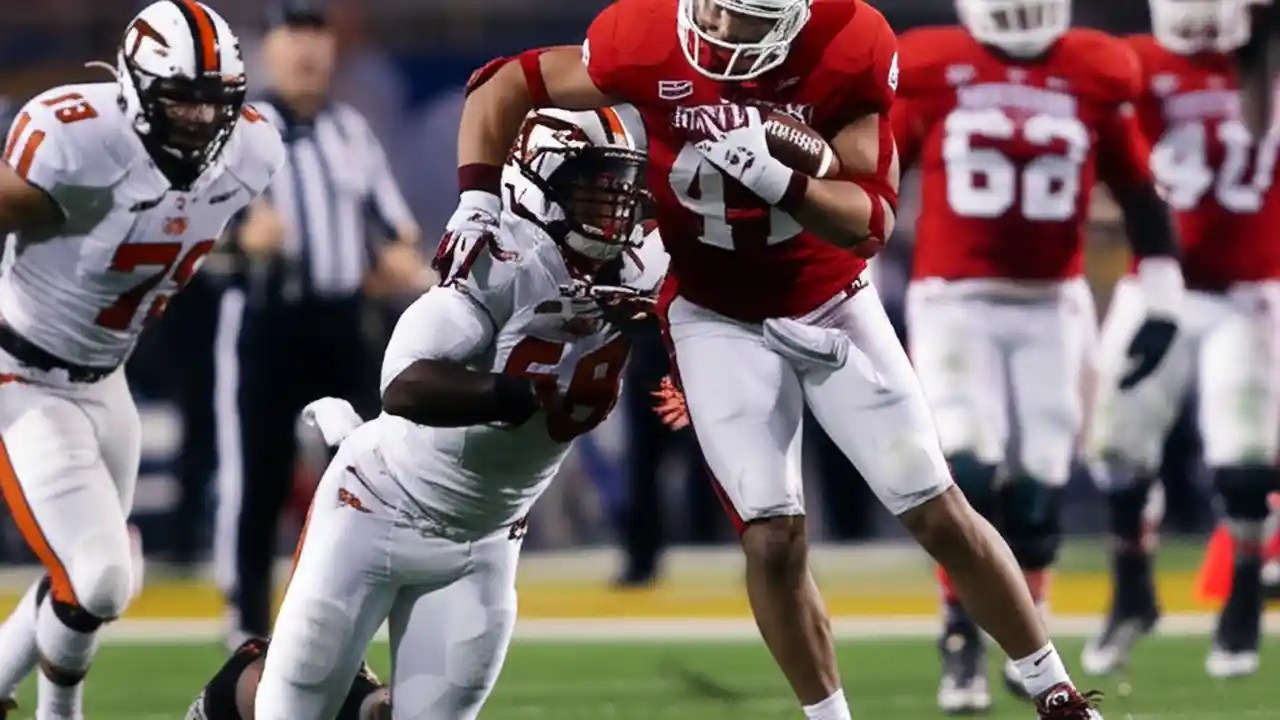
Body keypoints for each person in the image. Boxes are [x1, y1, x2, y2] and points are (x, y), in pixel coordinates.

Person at [455, 0, 1103, 718]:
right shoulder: (641, 34)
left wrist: (785, 182)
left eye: (750, 20)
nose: (725, 33)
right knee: (770, 537)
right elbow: (503, 82)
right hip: (712, 313)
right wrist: (475, 202)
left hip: (831, 301)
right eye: (718, 11)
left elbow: (872, 220)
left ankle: (1055, 691)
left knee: (935, 508)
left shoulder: (848, 41)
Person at [250, 104, 665, 719]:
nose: (614, 205)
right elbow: (406, 386)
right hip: (378, 505)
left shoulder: (644, 266)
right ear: (539, 185)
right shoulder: (503, 262)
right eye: (593, 187)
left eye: (620, 186)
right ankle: (230, 695)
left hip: (485, 538)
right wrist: (525, 394)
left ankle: (366, 709)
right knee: (292, 708)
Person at [890, 0, 1183, 710]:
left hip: (1054, 302)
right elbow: (878, 170)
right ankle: (958, 634)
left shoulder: (1094, 66)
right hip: (955, 298)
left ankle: (1030, 640)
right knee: (965, 461)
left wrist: (1165, 294)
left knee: (1038, 485)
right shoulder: (930, 63)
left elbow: (1138, 188)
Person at [0, 1, 283, 716]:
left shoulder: (253, 150)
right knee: (97, 580)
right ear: (132, 87)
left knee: (85, 578)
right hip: (21, 373)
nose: (195, 117)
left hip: (107, 379)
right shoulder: (71, 140)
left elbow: (182, 226)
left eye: (211, 101)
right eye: (179, 98)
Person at [212, 0, 427, 649]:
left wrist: (405, 262)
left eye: (315, 35)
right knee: (258, 474)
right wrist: (241, 237)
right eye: (291, 35)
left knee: (362, 474)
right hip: (266, 320)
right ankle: (247, 623)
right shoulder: (240, 131)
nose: (305, 50)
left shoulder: (350, 130)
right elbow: (196, 233)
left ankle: (350, 611)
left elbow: (393, 231)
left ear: (333, 50)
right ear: (268, 50)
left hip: (341, 325)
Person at [1081, 0, 1280, 680]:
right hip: (1158, 285)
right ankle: (1132, 584)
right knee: (1114, 449)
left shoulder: (1266, 60)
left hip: (1250, 291)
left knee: (1246, 464)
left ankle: (1245, 599)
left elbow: (1256, 122)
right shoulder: (1138, 59)